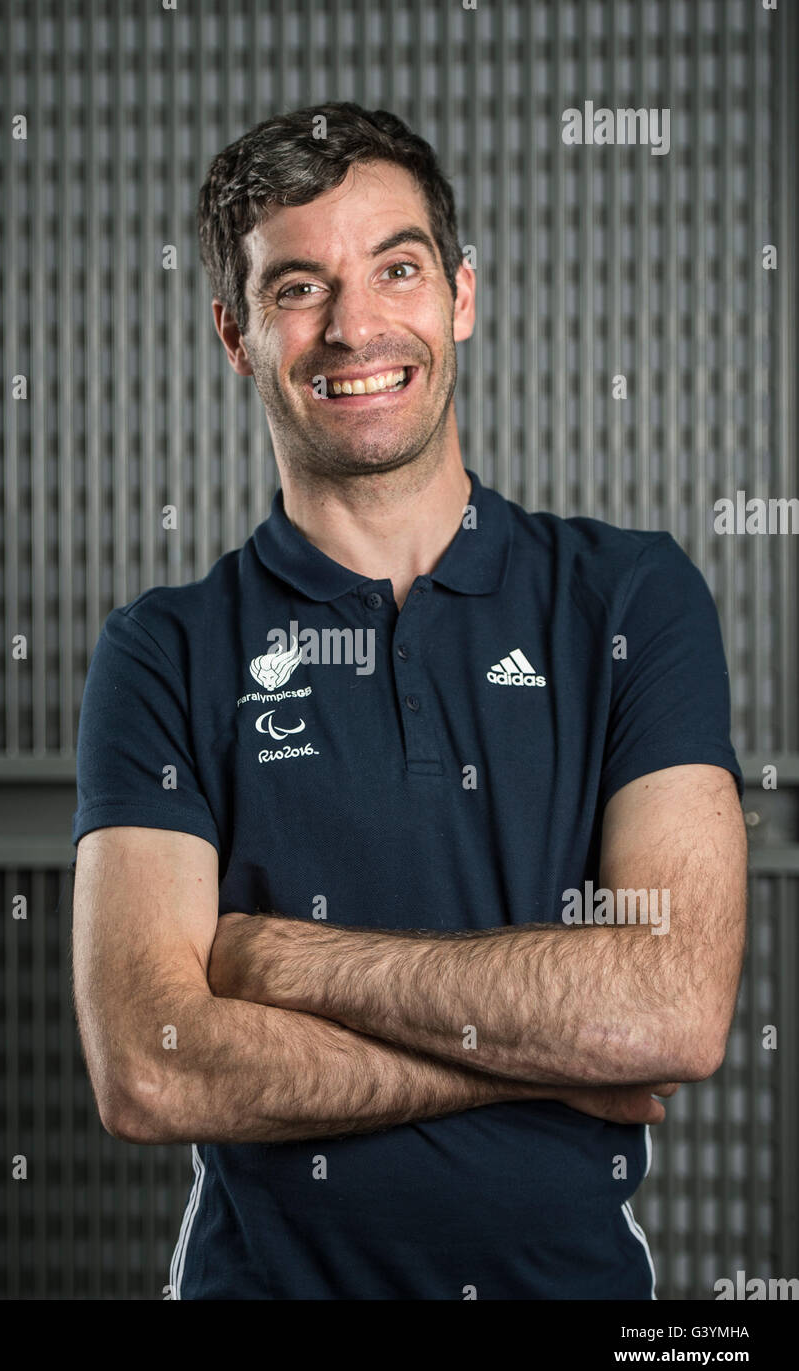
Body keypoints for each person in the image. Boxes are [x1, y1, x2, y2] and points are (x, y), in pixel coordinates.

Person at [71, 102, 746, 1300]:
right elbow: (154, 1068)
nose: (354, 327)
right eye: (297, 287)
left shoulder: (631, 597)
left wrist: (281, 961)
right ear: (235, 333)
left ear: (461, 296)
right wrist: (539, 1057)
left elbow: (671, 1009)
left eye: (396, 267)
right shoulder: (162, 650)